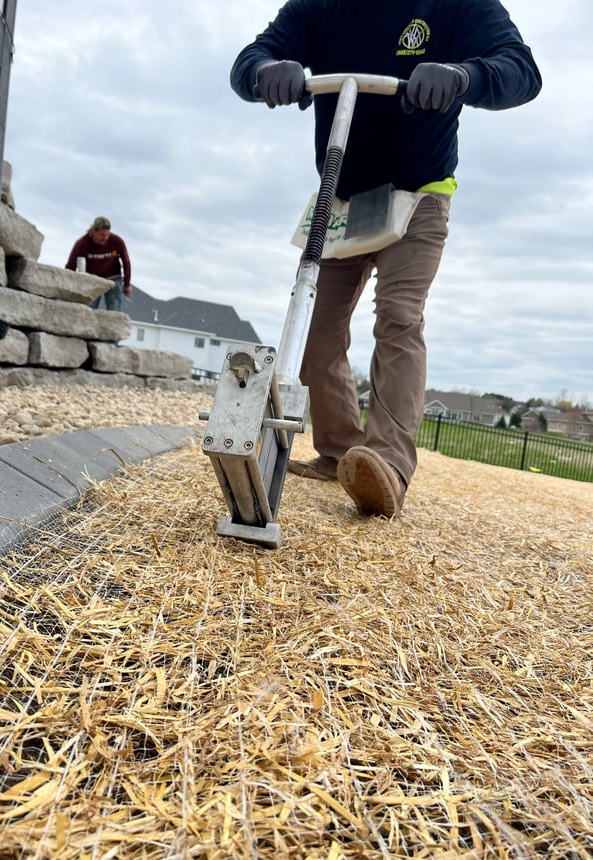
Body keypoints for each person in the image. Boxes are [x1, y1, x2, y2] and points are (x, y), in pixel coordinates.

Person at [230, 0, 541, 518]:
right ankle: (338, 452)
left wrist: (463, 76)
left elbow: (521, 70)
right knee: (314, 328)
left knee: (398, 317)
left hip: (419, 194)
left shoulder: (458, 6)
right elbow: (251, 59)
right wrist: (266, 71)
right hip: (342, 198)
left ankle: (387, 466)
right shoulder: (321, 8)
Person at [66, 216, 132, 311]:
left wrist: (127, 284)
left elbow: (126, 262)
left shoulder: (117, 242)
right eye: (101, 235)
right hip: (92, 279)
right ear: (94, 231)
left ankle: (112, 325)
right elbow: (71, 265)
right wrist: (68, 283)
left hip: (113, 278)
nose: (104, 238)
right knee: (88, 309)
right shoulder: (82, 244)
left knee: (114, 308)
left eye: (107, 235)